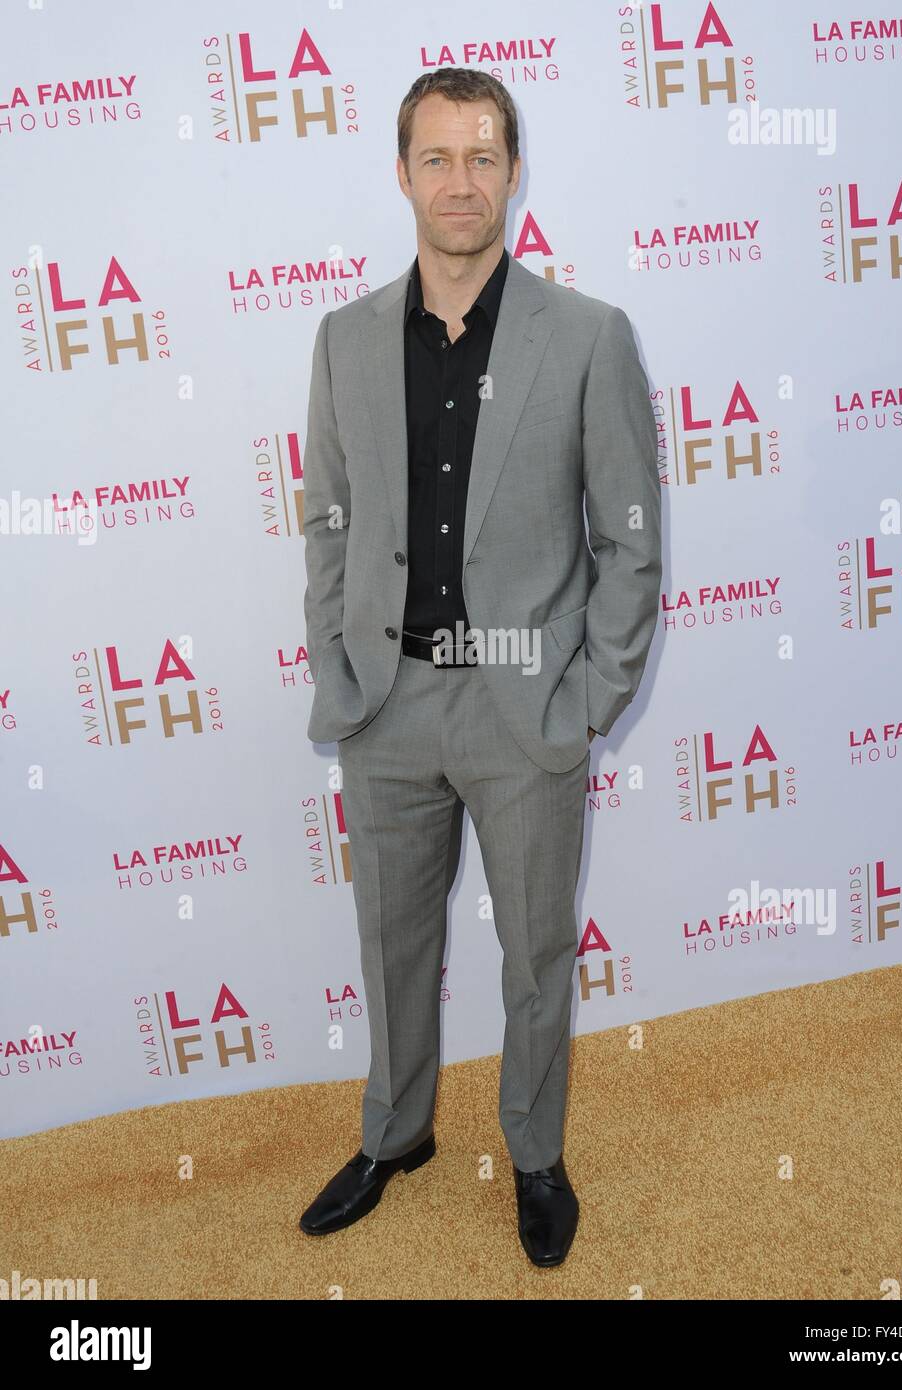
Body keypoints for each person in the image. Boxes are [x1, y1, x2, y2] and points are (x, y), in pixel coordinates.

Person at [298, 67, 662, 1267]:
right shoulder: (345, 338)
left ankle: (535, 1153)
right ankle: (395, 1131)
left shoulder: (588, 336)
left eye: (483, 156)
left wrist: (585, 705)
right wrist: (340, 669)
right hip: (387, 704)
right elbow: (329, 519)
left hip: (525, 711)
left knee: (533, 951)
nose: (461, 181)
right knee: (389, 943)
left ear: (513, 172)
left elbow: (626, 540)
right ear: (401, 174)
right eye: (437, 158)